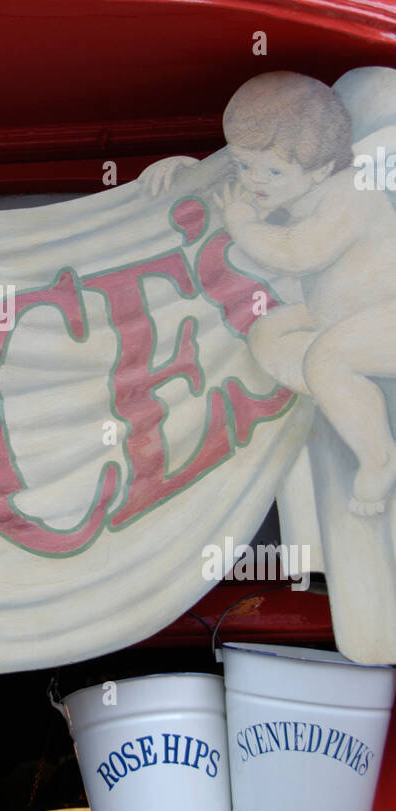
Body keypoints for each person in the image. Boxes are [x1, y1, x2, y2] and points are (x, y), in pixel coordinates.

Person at [141, 71, 396, 517]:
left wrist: (244, 225)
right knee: (266, 335)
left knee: (327, 358)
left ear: (319, 169)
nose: (255, 181)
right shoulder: (296, 182)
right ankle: (342, 397)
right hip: (335, 314)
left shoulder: (351, 195)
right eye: (243, 165)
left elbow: (298, 253)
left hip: (386, 316)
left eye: (271, 170)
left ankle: (379, 459)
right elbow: (219, 196)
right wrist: (186, 171)